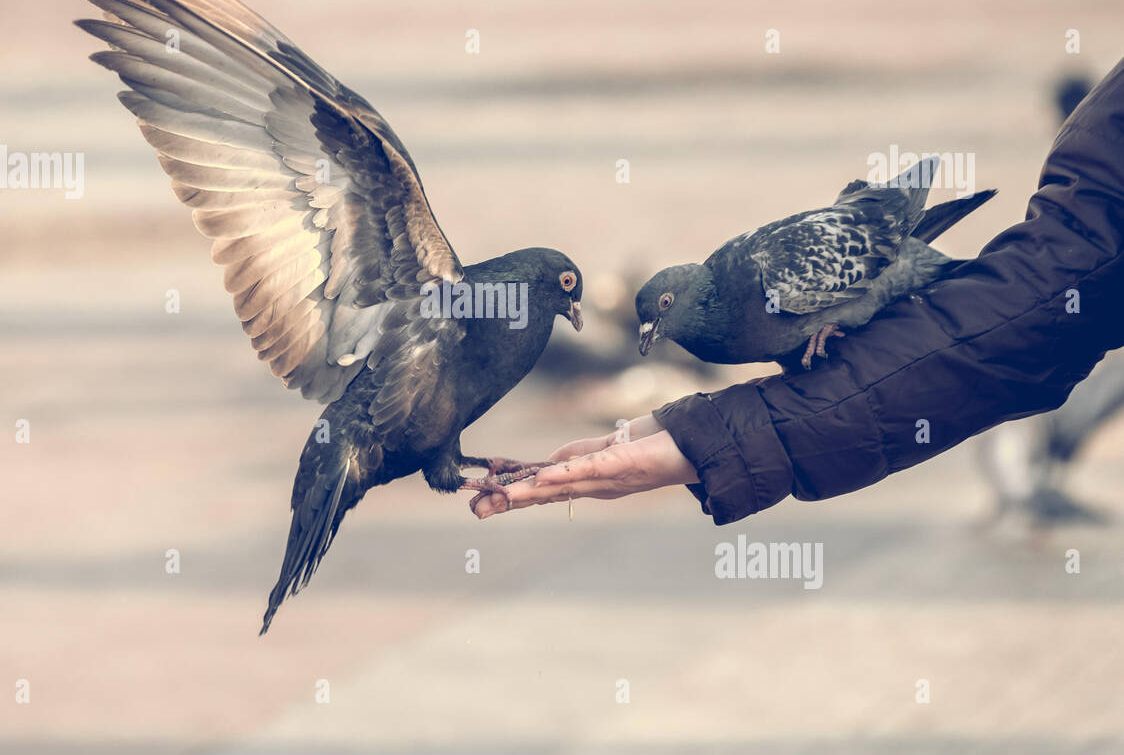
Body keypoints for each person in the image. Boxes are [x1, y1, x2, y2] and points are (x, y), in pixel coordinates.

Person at [472, 58, 1124, 525]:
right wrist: (714, 434)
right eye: (651, 321)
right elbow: (1047, 293)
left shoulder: (770, 282)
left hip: (888, 257)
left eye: (659, 314)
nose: (654, 331)